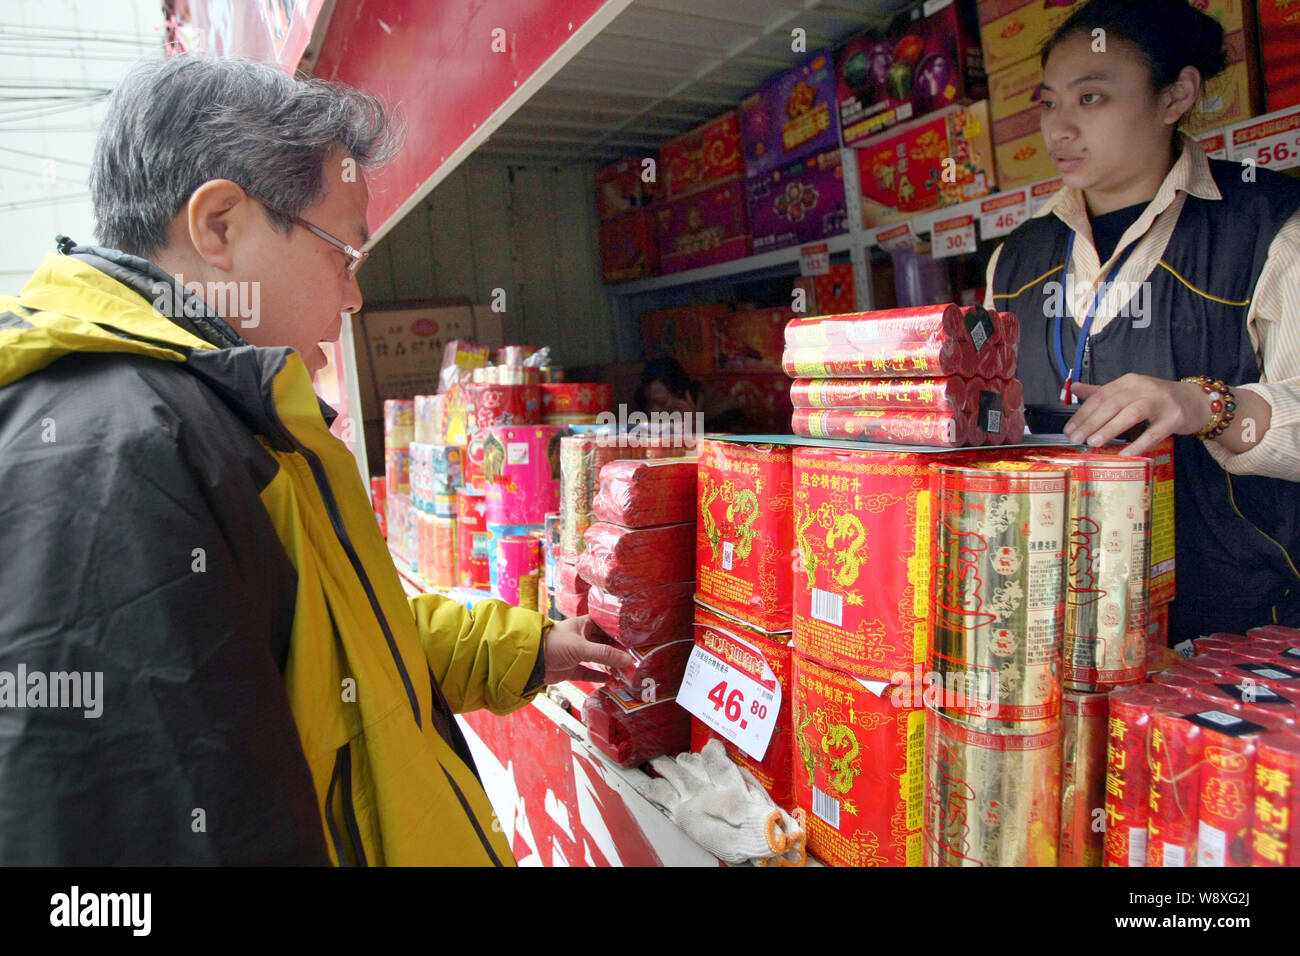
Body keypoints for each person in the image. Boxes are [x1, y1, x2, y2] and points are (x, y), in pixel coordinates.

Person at [0, 55, 631, 865]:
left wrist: (528, 649)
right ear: (220, 226)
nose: (353, 297)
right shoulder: (107, 456)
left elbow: (344, 644)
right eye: (344, 253)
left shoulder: (229, 414)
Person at [984, 0, 1300, 641]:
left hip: (1240, 633)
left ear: (1175, 96)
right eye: (1049, 103)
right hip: (1059, 628)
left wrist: (1205, 405)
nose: (1059, 130)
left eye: (1091, 98)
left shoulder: (1268, 230)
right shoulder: (1015, 261)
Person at [637, 356, 749, 433]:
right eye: (649, 405)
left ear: (683, 396)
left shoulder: (726, 415)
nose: (653, 411)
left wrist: (693, 425)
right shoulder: (649, 420)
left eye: (661, 403)